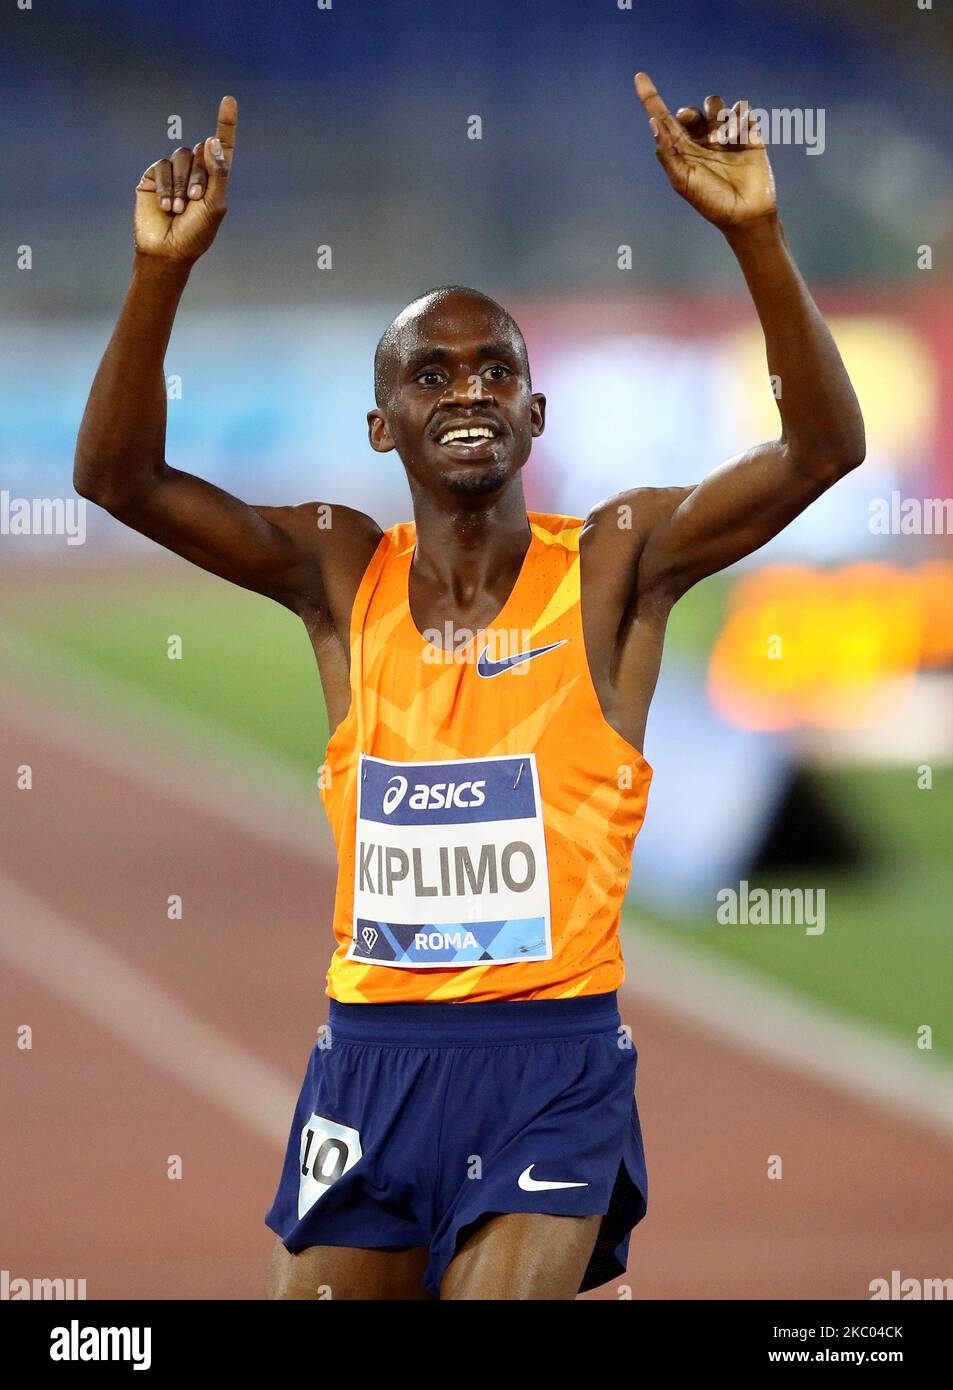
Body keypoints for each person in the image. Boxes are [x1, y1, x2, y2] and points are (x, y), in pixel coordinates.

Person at [74, 74, 865, 1300]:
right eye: (430, 377)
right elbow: (117, 478)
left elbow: (820, 449)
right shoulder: (337, 569)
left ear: (534, 411)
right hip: (370, 1059)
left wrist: (751, 232)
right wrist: (159, 273)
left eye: (492, 372)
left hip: (547, 1061)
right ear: (383, 424)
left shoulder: (613, 563)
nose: (466, 394)